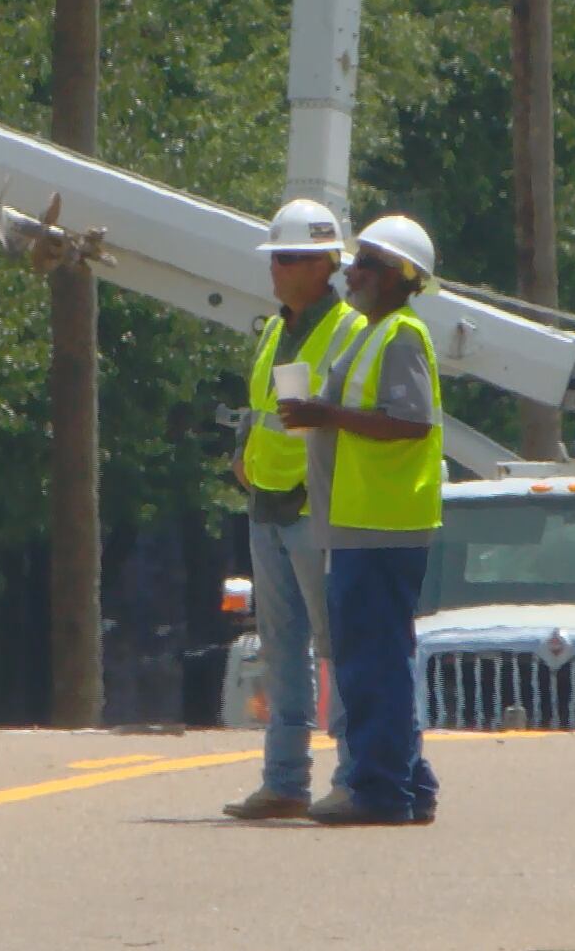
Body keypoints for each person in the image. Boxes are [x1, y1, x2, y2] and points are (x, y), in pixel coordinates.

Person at [279, 215, 442, 826]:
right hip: (357, 518)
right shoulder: (371, 332)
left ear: (402, 277)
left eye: (368, 264)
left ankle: (380, 790)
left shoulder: (400, 334)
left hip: (382, 521)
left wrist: (327, 414)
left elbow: (412, 421)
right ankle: (407, 781)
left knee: (372, 658)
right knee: (375, 654)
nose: (353, 272)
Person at [221, 198, 366, 821]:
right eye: (276, 258)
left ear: (326, 263)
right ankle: (284, 780)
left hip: (316, 506)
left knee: (335, 644)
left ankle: (352, 774)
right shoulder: (278, 328)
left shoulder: (350, 330)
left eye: (290, 259)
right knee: (282, 646)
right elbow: (262, 409)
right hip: (269, 505)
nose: (276, 269)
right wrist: (240, 455)